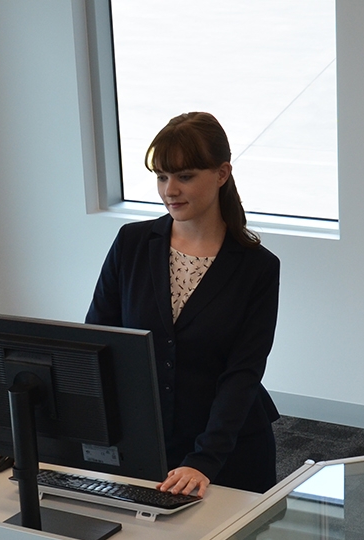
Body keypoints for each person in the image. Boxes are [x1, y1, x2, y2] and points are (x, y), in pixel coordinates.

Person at [86, 112, 280, 496]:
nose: (169, 190)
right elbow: (97, 344)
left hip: (228, 449)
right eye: (161, 177)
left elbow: (242, 373)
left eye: (185, 176)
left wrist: (204, 459)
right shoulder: (131, 243)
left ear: (222, 174)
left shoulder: (258, 267)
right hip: (146, 444)